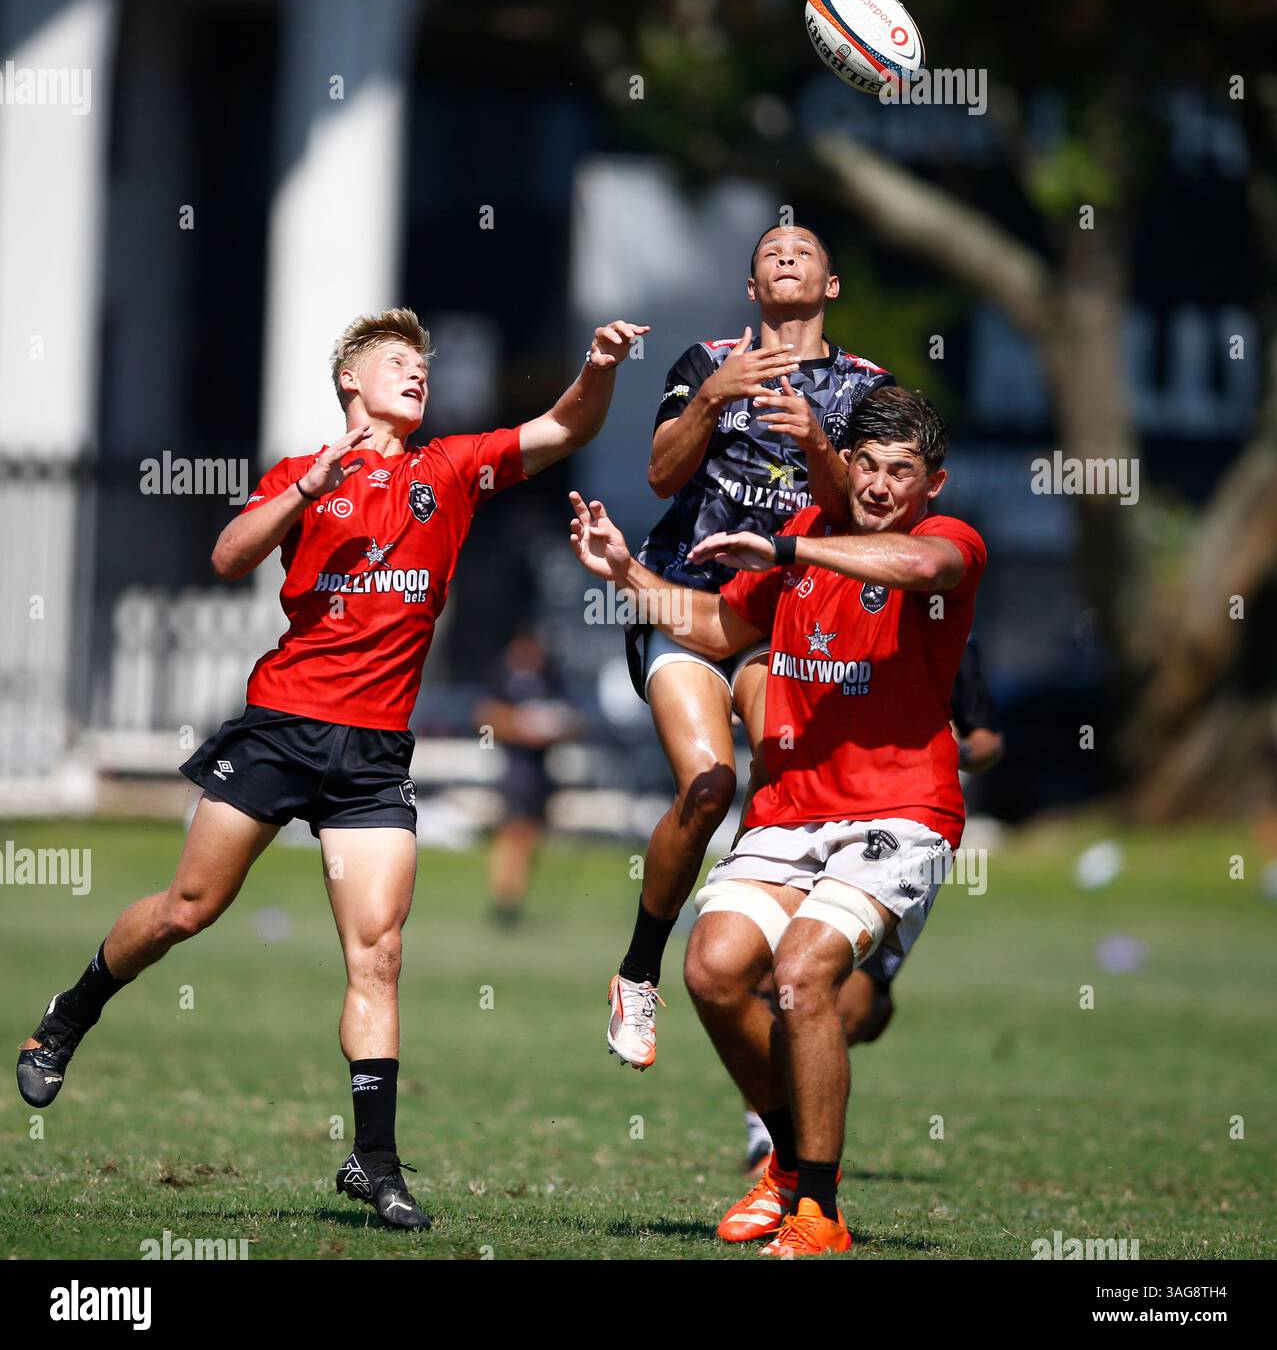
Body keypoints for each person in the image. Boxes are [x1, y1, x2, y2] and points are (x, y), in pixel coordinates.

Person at [17, 307, 647, 1231]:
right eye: (397, 362)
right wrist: (305, 488)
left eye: (422, 365)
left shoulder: (451, 467)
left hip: (374, 753)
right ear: (352, 381)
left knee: (380, 954)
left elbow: (564, 428)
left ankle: (376, 1163)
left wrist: (597, 368)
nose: (416, 374)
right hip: (280, 730)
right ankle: (67, 1018)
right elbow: (230, 555)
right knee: (188, 910)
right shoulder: (304, 475)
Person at [569, 383, 986, 1256]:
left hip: (897, 813)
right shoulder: (798, 544)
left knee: (800, 976)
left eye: (899, 472)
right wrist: (626, 572)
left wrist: (799, 545)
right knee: (715, 973)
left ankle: (820, 1214)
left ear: (930, 484)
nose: (878, 485)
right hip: (790, 812)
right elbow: (718, 627)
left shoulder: (948, 542)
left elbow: (915, 570)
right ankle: (791, 1163)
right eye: (866, 466)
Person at [606, 224, 893, 1069]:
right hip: (684, 602)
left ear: (830, 286)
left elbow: (861, 519)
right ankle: (637, 971)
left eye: (806, 248)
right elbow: (660, 476)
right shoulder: (704, 362)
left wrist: (813, 440)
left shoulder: (864, 391)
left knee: (782, 782)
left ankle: (760, 957)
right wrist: (711, 398)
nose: (787, 254)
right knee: (708, 784)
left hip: (779, 623)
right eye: (771, 250)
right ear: (750, 285)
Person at [740, 637, 1004, 1173]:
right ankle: (770, 1142)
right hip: (812, 826)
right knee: (775, 982)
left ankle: (869, 1011)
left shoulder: (940, 626)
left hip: (898, 839)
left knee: (844, 1005)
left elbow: (988, 741)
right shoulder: (813, 619)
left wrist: (952, 748)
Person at [475, 631, 579, 927]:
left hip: (541, 770)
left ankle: (512, 897)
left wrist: (555, 726)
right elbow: (485, 715)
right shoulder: (502, 677)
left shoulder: (550, 678)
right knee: (513, 832)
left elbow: (572, 719)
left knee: (531, 834)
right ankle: (505, 897)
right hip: (516, 768)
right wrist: (522, 727)